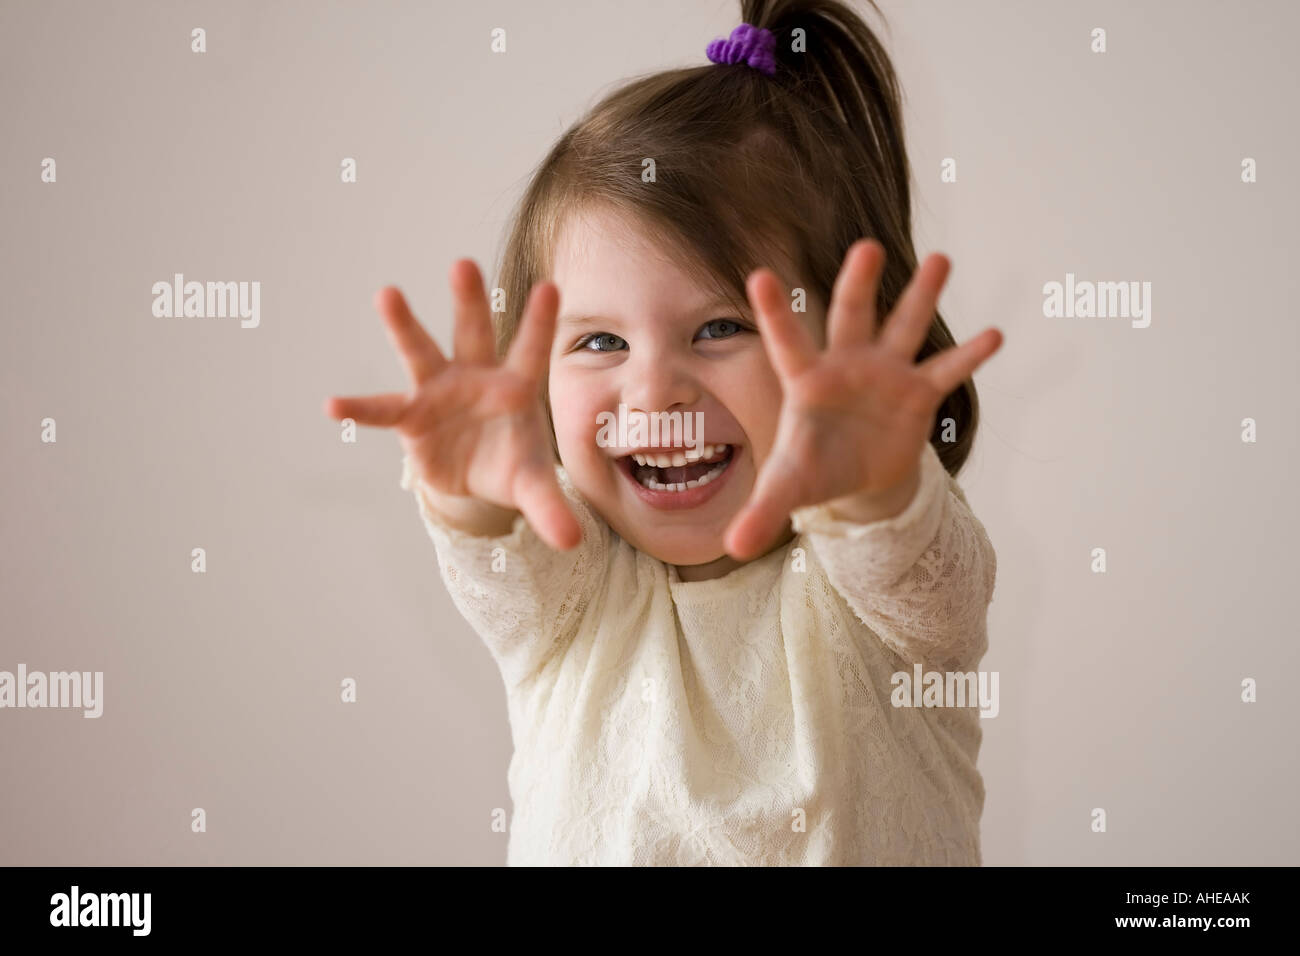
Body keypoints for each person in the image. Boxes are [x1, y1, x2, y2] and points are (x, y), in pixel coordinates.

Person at [325, 0, 1004, 865]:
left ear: (844, 343)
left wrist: (874, 481)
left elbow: (910, 558)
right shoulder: (570, 599)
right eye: (599, 342)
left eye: (720, 328)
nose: (652, 390)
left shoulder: (884, 607)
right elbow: (504, 563)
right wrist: (469, 497)